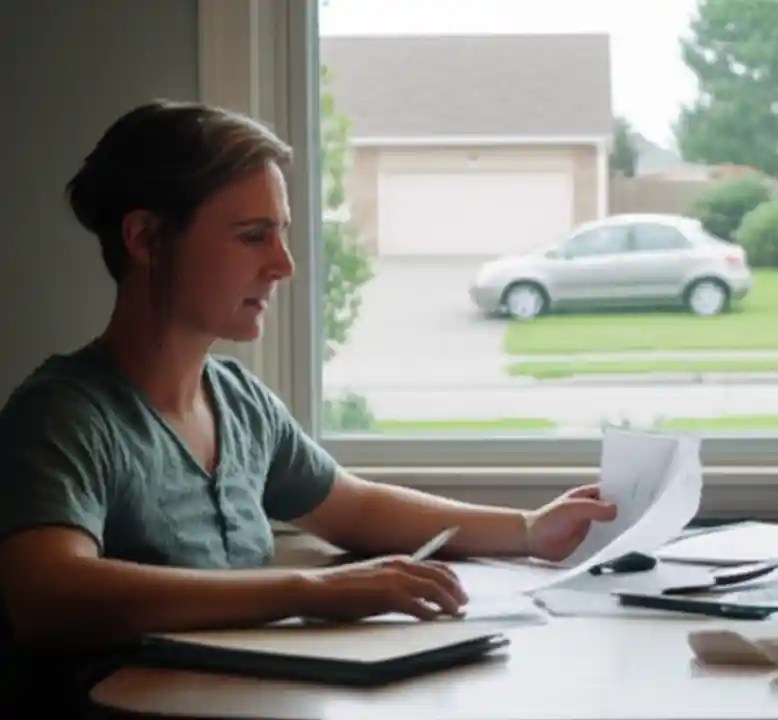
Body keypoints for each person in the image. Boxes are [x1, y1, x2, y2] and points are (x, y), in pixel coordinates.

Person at [0, 100, 618, 711]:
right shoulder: (63, 416)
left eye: (282, 233)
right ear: (146, 238)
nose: (284, 264)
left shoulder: (239, 403)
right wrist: (311, 590)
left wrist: (531, 530)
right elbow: (47, 591)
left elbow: (355, 506)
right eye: (252, 236)